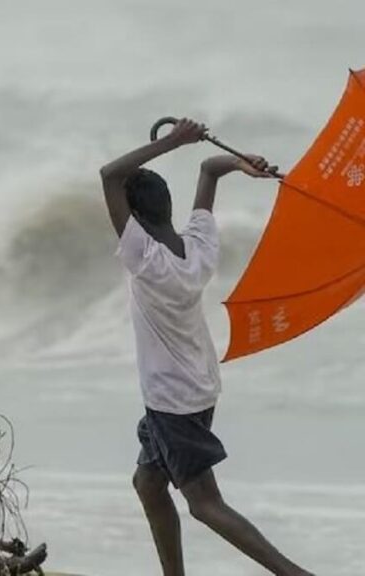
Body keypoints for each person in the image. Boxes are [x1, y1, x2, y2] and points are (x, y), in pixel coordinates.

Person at [99, 118, 313, 576]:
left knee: (203, 503)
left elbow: (109, 176)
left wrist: (174, 140)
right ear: (169, 208)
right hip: (194, 387)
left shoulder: (146, 261)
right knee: (148, 484)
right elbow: (209, 171)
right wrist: (239, 163)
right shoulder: (198, 247)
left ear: (133, 220)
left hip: (172, 400)